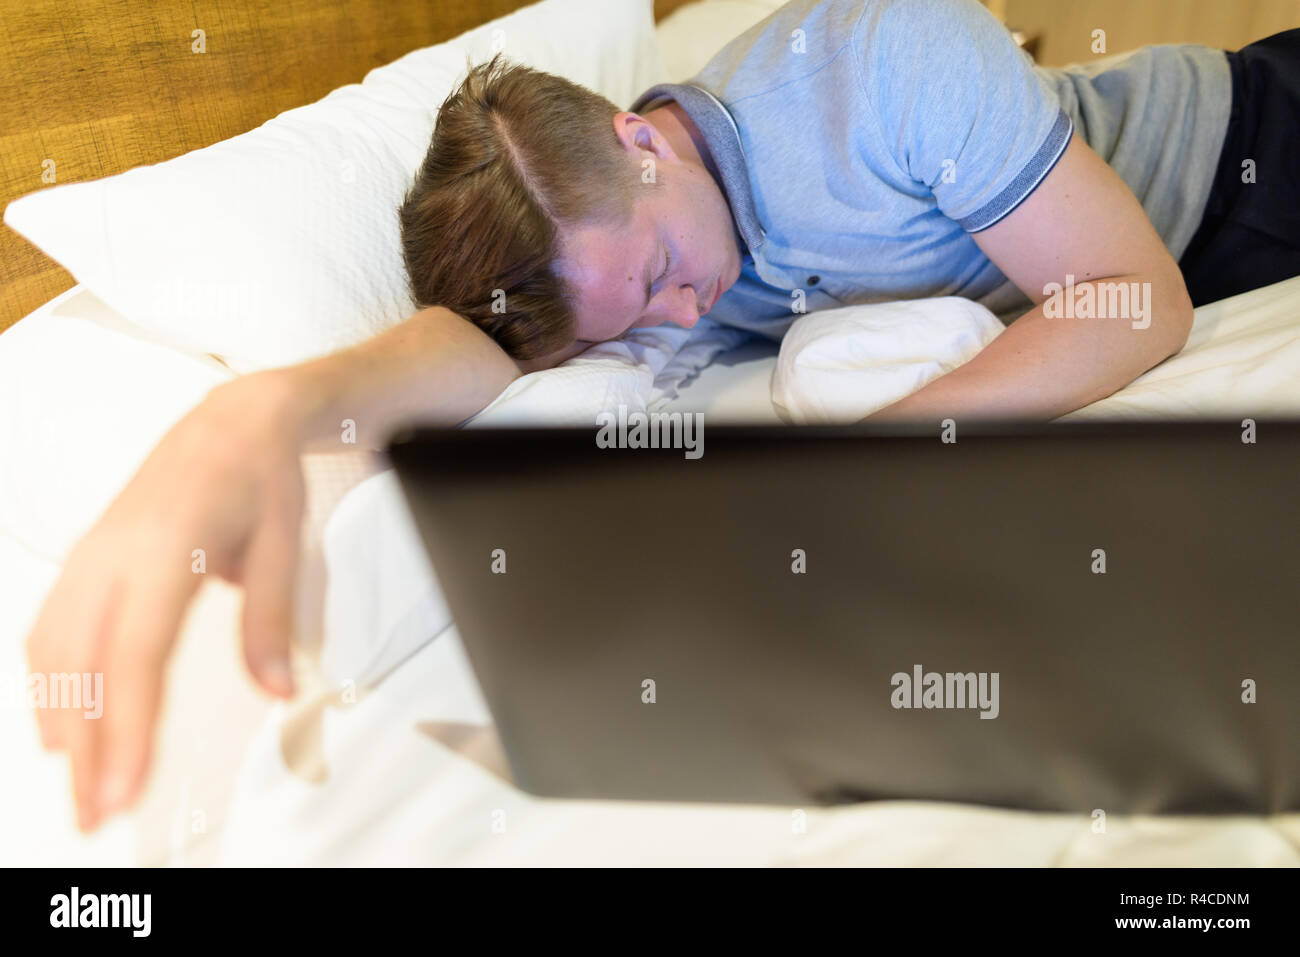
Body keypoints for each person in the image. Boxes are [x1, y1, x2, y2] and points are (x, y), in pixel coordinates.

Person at [26, 0, 1299, 833]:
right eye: (638, 314)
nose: (686, 314)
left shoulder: (884, 59)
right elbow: (467, 355)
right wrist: (258, 410)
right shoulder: (613, 249)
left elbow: (1133, 300)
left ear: (641, 140)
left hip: (1246, 154)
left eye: (660, 278)